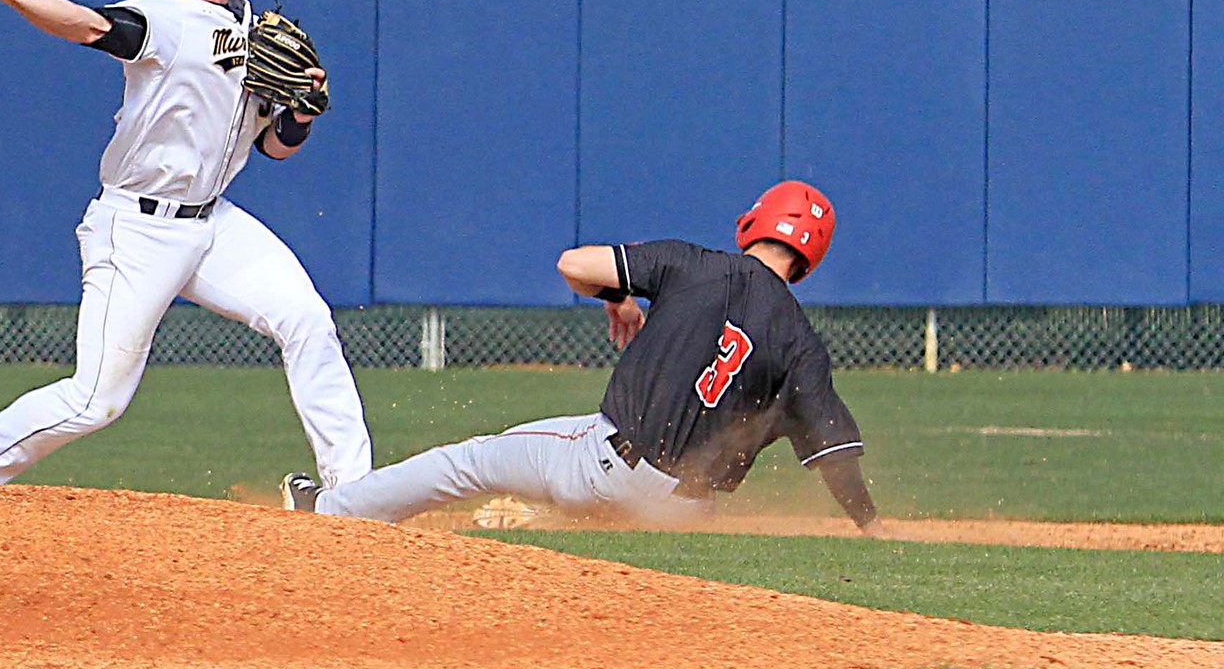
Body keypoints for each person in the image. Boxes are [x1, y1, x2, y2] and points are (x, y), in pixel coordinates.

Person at [0, 0, 374, 490]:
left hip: (213, 223)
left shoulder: (257, 35)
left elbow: (275, 148)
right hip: (137, 226)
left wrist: (303, 115)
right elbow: (87, 25)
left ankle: (353, 491)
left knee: (308, 320)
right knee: (96, 400)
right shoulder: (165, 17)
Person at [282, 181, 892, 538]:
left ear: (755, 222)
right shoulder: (800, 343)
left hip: (609, 467)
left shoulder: (695, 264)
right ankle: (532, 512)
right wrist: (872, 528)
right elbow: (835, 457)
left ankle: (328, 510)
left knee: (469, 462)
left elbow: (574, 265)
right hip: (685, 513)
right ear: (810, 258)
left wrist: (622, 297)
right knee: (539, 448)